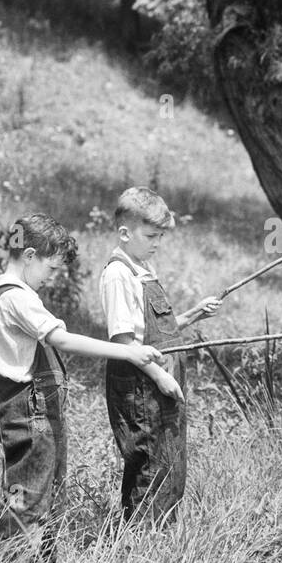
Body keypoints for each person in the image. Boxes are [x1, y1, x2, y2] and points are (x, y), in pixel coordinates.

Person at [0, 212, 162, 563]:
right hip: (29, 411)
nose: (51, 279)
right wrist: (129, 352)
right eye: (50, 270)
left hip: (38, 411)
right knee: (29, 492)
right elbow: (61, 340)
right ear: (31, 255)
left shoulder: (7, 289)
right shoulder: (16, 297)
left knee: (47, 490)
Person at [99, 187, 222, 528]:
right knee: (150, 463)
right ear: (125, 232)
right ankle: (138, 543)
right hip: (141, 384)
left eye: (161, 236)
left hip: (158, 380)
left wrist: (195, 314)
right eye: (151, 235)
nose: (157, 242)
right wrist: (161, 376)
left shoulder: (143, 267)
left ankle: (160, 538)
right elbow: (126, 342)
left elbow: (158, 329)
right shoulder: (118, 274)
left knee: (169, 459)